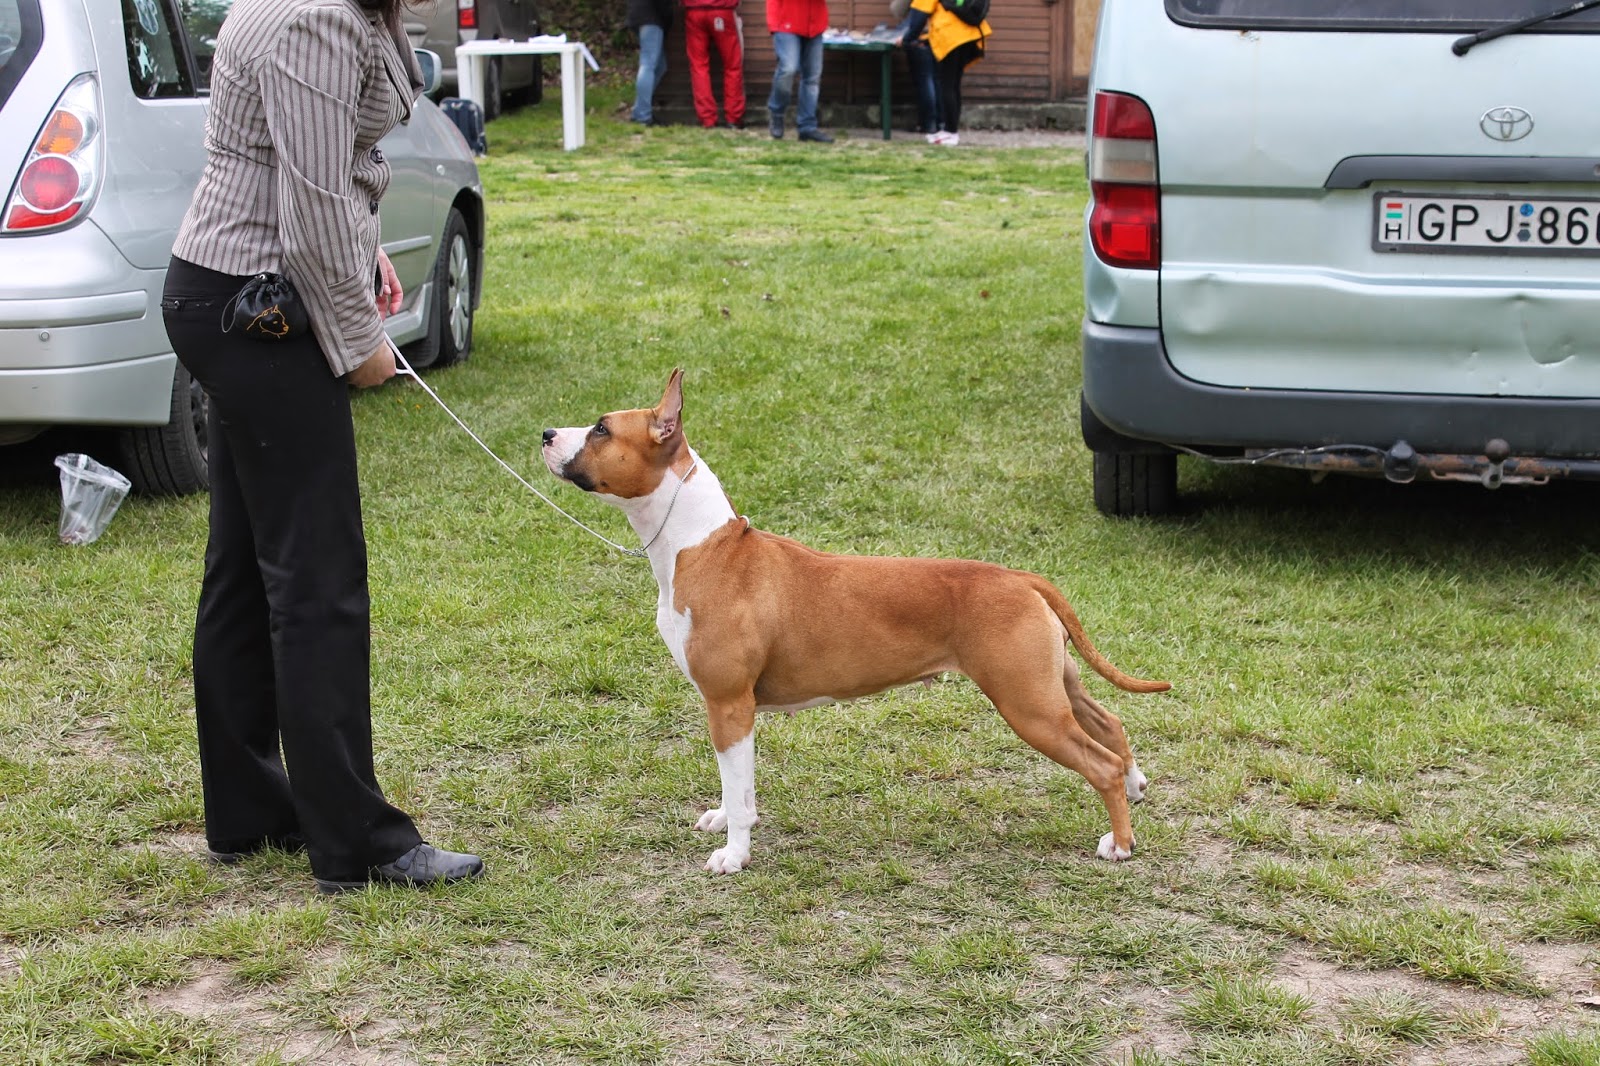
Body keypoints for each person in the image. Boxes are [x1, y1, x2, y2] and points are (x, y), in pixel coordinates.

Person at [161, 0, 484, 894]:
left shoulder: (342, 11)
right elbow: (305, 207)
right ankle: (358, 843)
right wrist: (362, 342)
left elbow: (327, 170)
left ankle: (249, 810)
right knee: (319, 578)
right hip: (257, 308)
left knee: (242, 565)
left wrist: (366, 250)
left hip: (236, 290)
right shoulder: (314, 21)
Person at [903, 0, 989, 145]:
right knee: (954, 85)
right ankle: (951, 131)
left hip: (950, 38)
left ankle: (950, 133)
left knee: (947, 85)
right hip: (970, 36)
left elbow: (919, 16)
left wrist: (907, 39)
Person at [765, 0, 832, 142]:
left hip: (814, 23)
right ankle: (777, 113)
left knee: (812, 78)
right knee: (788, 69)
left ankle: (807, 127)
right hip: (785, 20)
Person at [682, 0, 747, 128]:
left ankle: (707, 119)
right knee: (732, 65)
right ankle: (733, 118)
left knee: (699, 66)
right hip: (723, 9)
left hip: (694, 11)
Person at [890, 0, 939, 135]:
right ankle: (941, 123)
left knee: (924, 80)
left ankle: (929, 124)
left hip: (920, 36)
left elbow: (896, 10)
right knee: (937, 80)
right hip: (941, 38)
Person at [628, 0, 675, 125]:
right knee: (648, 65)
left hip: (639, 15)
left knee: (660, 66)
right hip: (652, 19)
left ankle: (639, 110)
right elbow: (662, 5)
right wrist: (668, 20)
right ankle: (643, 116)